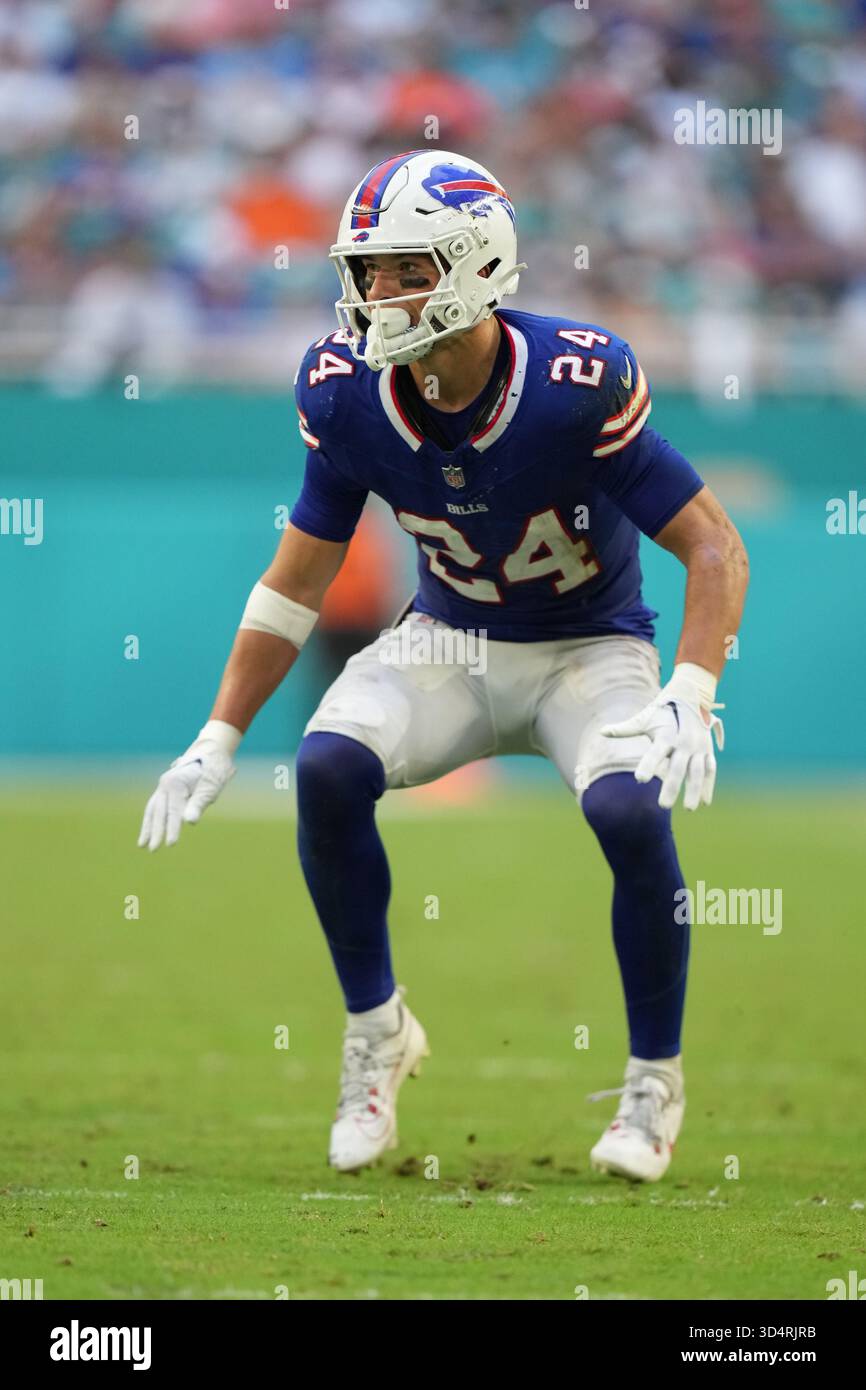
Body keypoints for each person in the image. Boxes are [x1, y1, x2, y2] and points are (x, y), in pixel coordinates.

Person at [138, 149, 749, 1183]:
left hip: (587, 648)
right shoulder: (346, 394)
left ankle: (653, 1082)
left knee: (628, 811)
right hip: (448, 642)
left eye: (400, 267)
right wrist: (219, 731)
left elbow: (712, 544)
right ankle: (377, 1032)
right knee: (328, 768)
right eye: (365, 270)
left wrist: (691, 688)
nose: (374, 292)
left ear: (472, 265)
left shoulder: (572, 380)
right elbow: (296, 582)